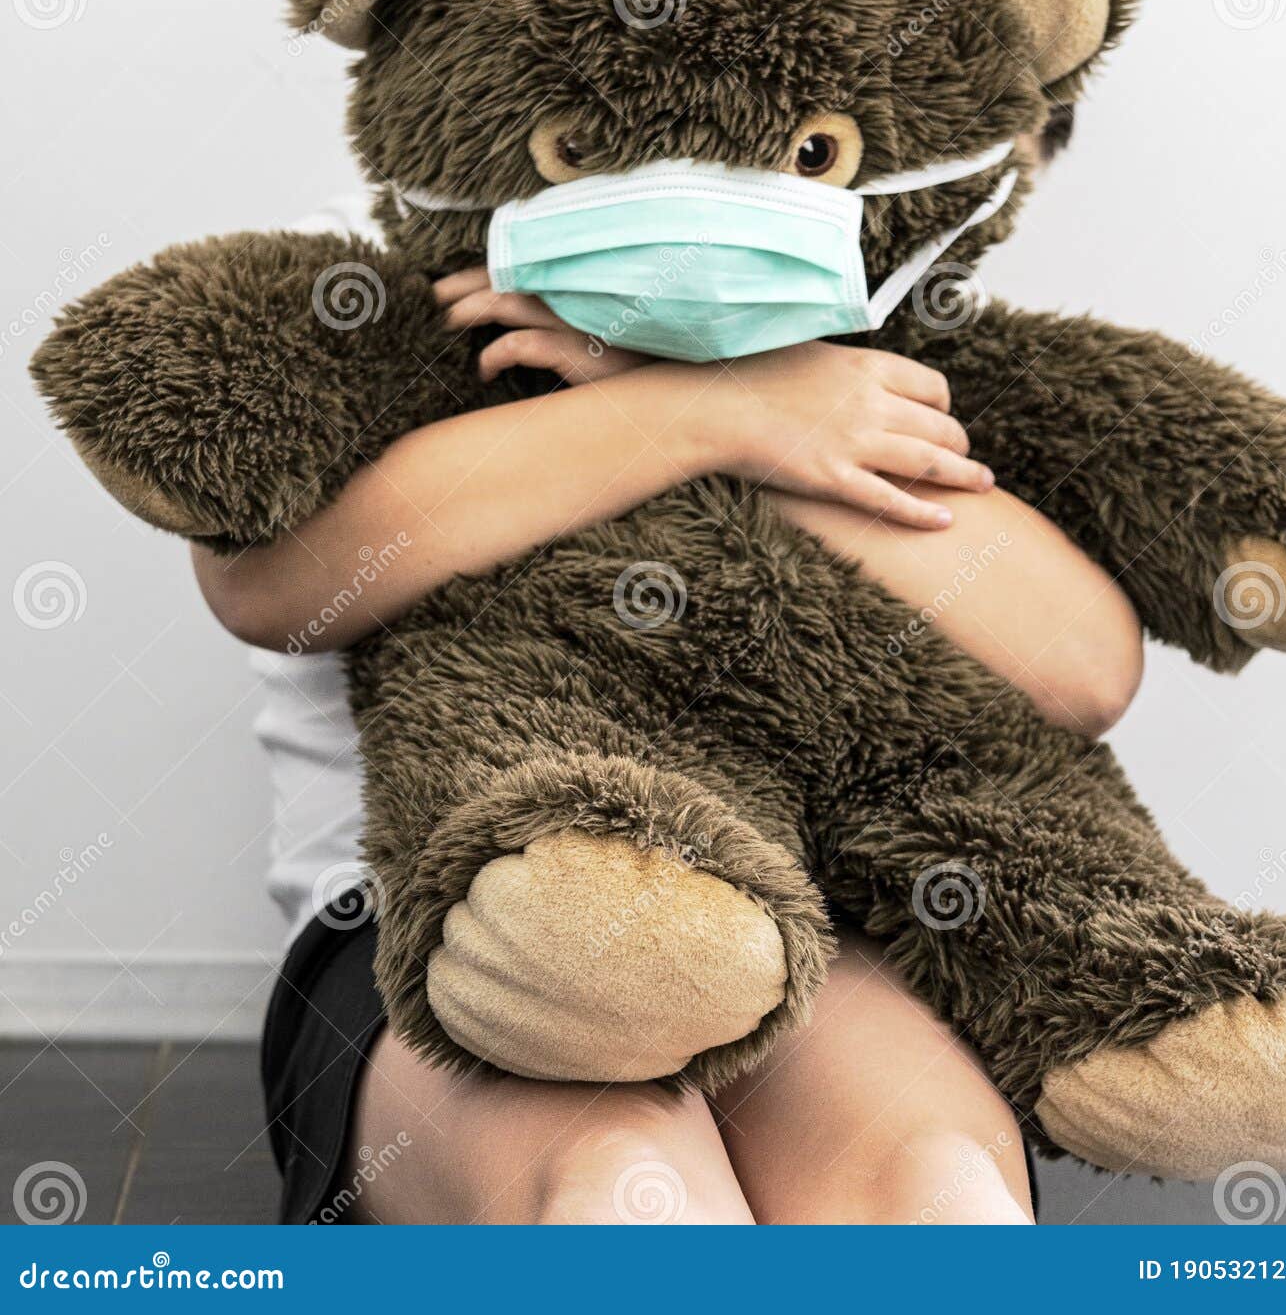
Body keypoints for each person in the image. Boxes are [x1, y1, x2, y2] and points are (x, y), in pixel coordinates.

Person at [204, 196, 1143, 1226]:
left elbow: (1083, 667)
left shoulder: (846, 294)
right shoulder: (373, 268)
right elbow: (268, 586)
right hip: (427, 909)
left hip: (822, 902)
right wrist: (707, 411)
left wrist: (774, 400)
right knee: (616, 1184)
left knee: (930, 1187)